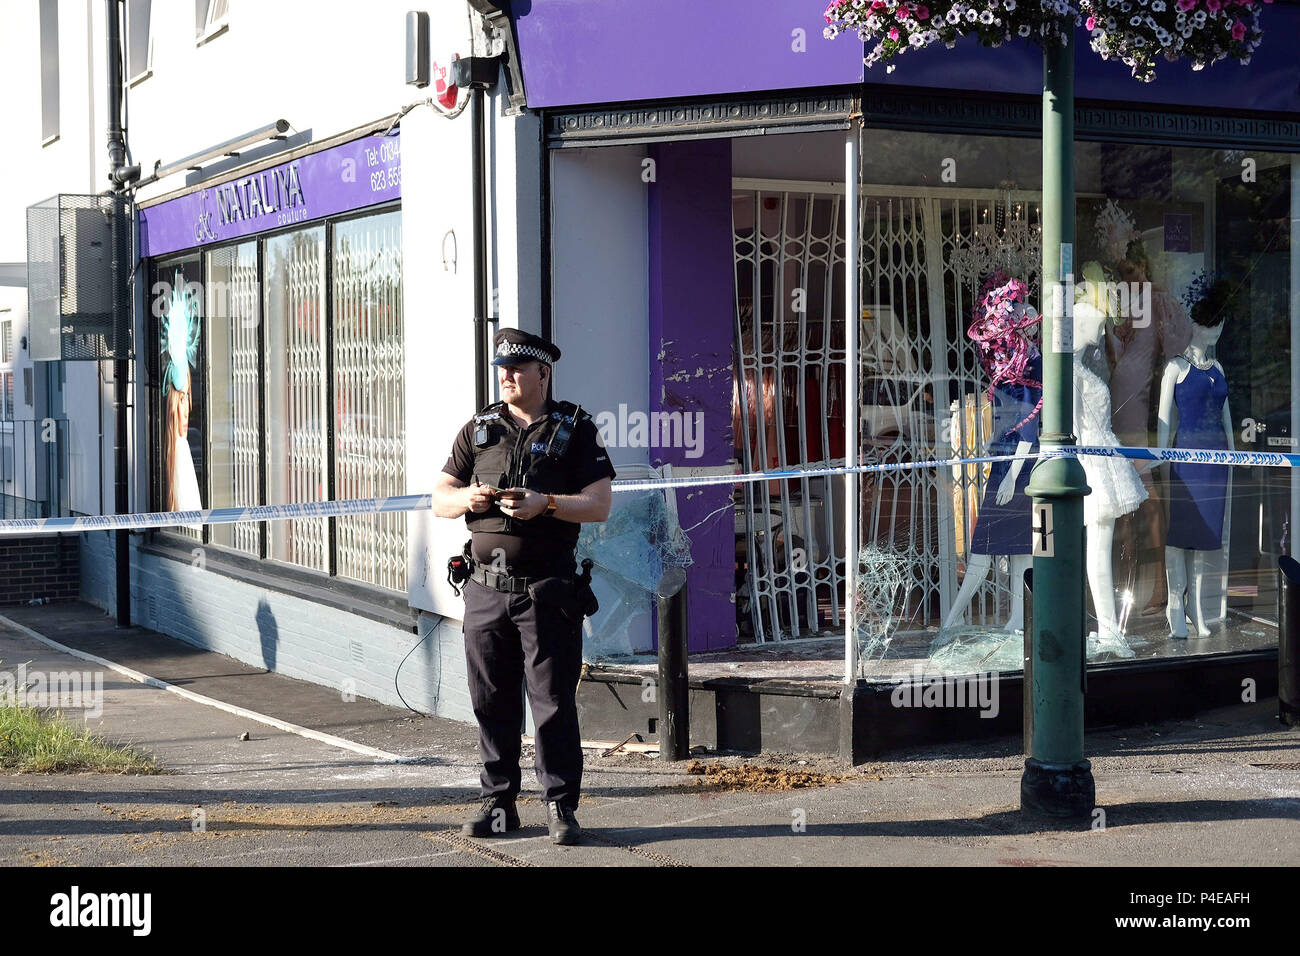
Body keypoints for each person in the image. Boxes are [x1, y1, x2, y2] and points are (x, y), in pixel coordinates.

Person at [432, 329, 615, 846]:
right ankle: (499, 804)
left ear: (543, 373)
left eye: (516, 369)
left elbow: (600, 504)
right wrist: (469, 497)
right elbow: (440, 497)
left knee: (552, 701)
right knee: (490, 699)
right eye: (501, 369)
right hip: (486, 590)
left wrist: (546, 504)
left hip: (547, 591)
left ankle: (561, 806)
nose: (506, 377)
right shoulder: (481, 427)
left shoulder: (575, 428)